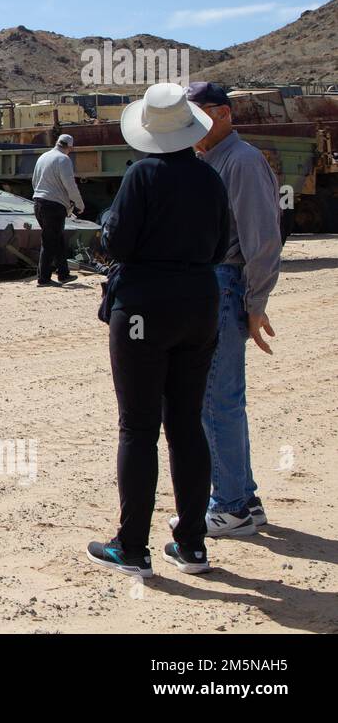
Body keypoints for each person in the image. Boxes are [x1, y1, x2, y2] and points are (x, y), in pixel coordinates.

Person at [87, 82, 229, 577]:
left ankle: (131, 547)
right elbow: (219, 248)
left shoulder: (142, 176)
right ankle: (192, 544)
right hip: (200, 303)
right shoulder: (210, 179)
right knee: (186, 423)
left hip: (145, 306)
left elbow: (118, 244)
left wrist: (108, 226)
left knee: (139, 427)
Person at [174, 82, 282, 538]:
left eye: (194, 117)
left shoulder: (239, 162)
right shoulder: (214, 160)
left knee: (216, 400)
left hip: (225, 283)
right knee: (219, 399)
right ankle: (243, 499)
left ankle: (233, 505)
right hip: (215, 283)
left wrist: (255, 304)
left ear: (220, 114)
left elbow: (262, 239)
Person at [31, 134, 85, 287]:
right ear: (69, 147)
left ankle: (63, 273)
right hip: (54, 206)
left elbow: (34, 181)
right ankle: (43, 278)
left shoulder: (43, 157)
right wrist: (80, 204)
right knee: (49, 241)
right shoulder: (63, 159)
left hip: (39, 203)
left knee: (58, 239)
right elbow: (70, 185)